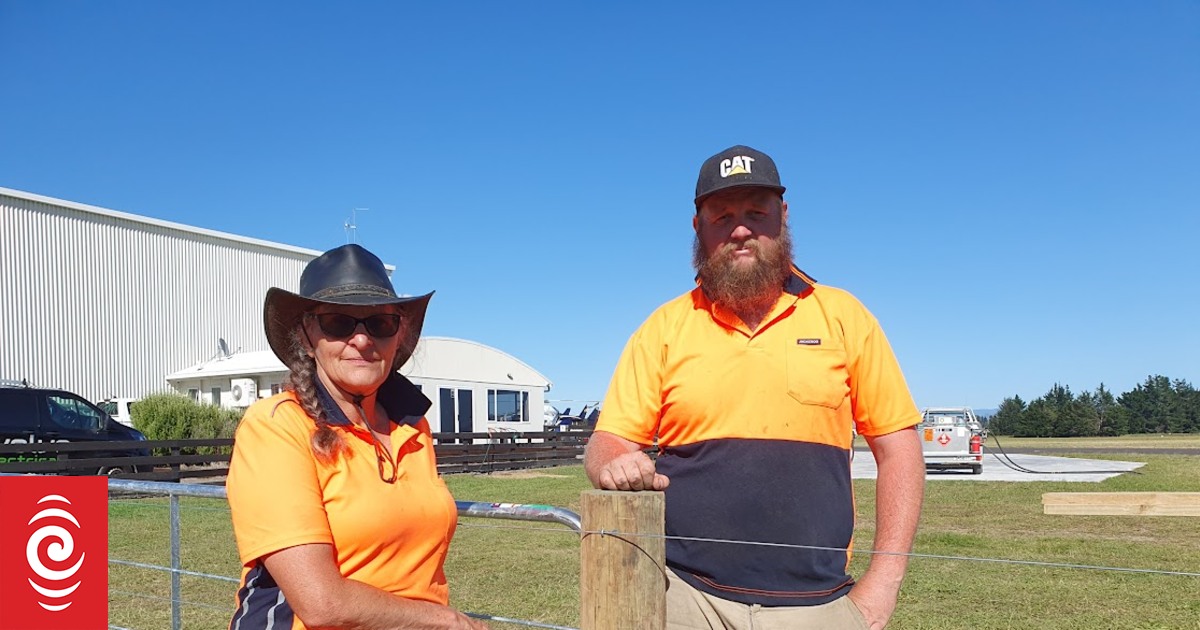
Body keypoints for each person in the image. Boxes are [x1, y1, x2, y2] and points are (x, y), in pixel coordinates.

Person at [584, 145, 925, 630]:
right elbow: (609, 440)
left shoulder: (844, 316)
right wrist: (613, 465)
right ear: (698, 226)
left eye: (755, 213)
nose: (740, 229)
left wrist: (885, 581)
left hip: (818, 606)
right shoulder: (663, 328)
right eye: (722, 216)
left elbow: (899, 450)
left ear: (783, 216)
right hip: (682, 598)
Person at [226, 244, 488, 630]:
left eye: (380, 323)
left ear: (399, 334)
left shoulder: (412, 426)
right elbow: (322, 604)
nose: (362, 340)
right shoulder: (276, 426)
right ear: (306, 335)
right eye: (338, 322)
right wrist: (448, 621)